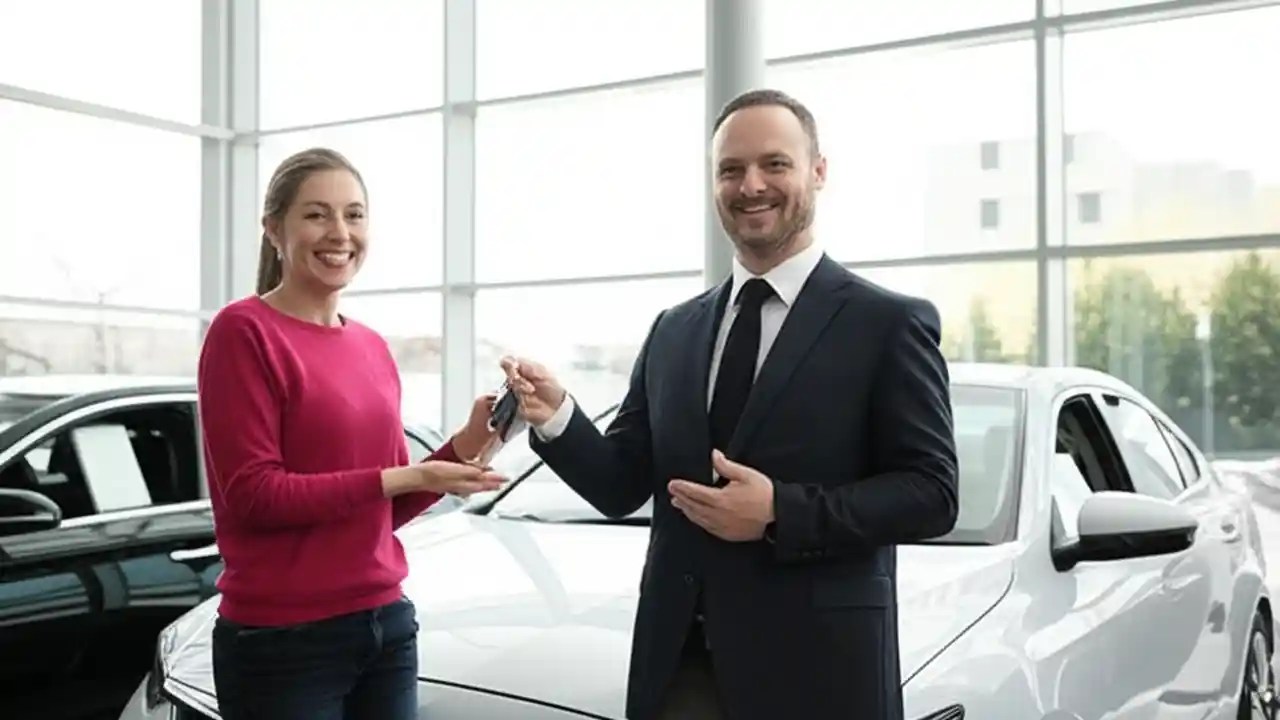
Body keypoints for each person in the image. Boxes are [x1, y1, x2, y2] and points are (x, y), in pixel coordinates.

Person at [500, 90, 958, 720]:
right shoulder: (674, 329)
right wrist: (557, 417)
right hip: (681, 669)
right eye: (730, 169)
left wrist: (779, 511)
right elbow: (621, 484)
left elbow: (931, 493)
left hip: (821, 673)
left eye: (775, 164)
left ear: (818, 172)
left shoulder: (888, 323)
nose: (751, 186)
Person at [197, 147, 505, 720]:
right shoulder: (243, 332)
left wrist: (466, 442)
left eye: (354, 214)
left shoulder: (370, 346)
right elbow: (255, 495)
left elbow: (384, 507)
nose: (339, 232)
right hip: (284, 642)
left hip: (385, 626)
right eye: (316, 214)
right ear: (274, 230)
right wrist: (412, 472)